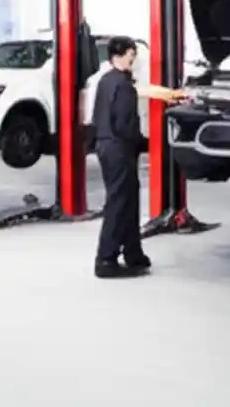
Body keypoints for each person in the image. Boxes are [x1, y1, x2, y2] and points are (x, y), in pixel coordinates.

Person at [91, 36, 151, 278]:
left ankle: (134, 253)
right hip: (119, 147)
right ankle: (106, 259)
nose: (133, 59)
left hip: (105, 145)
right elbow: (125, 123)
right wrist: (142, 142)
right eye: (131, 54)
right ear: (121, 55)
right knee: (119, 203)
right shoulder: (124, 85)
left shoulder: (105, 81)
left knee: (127, 199)